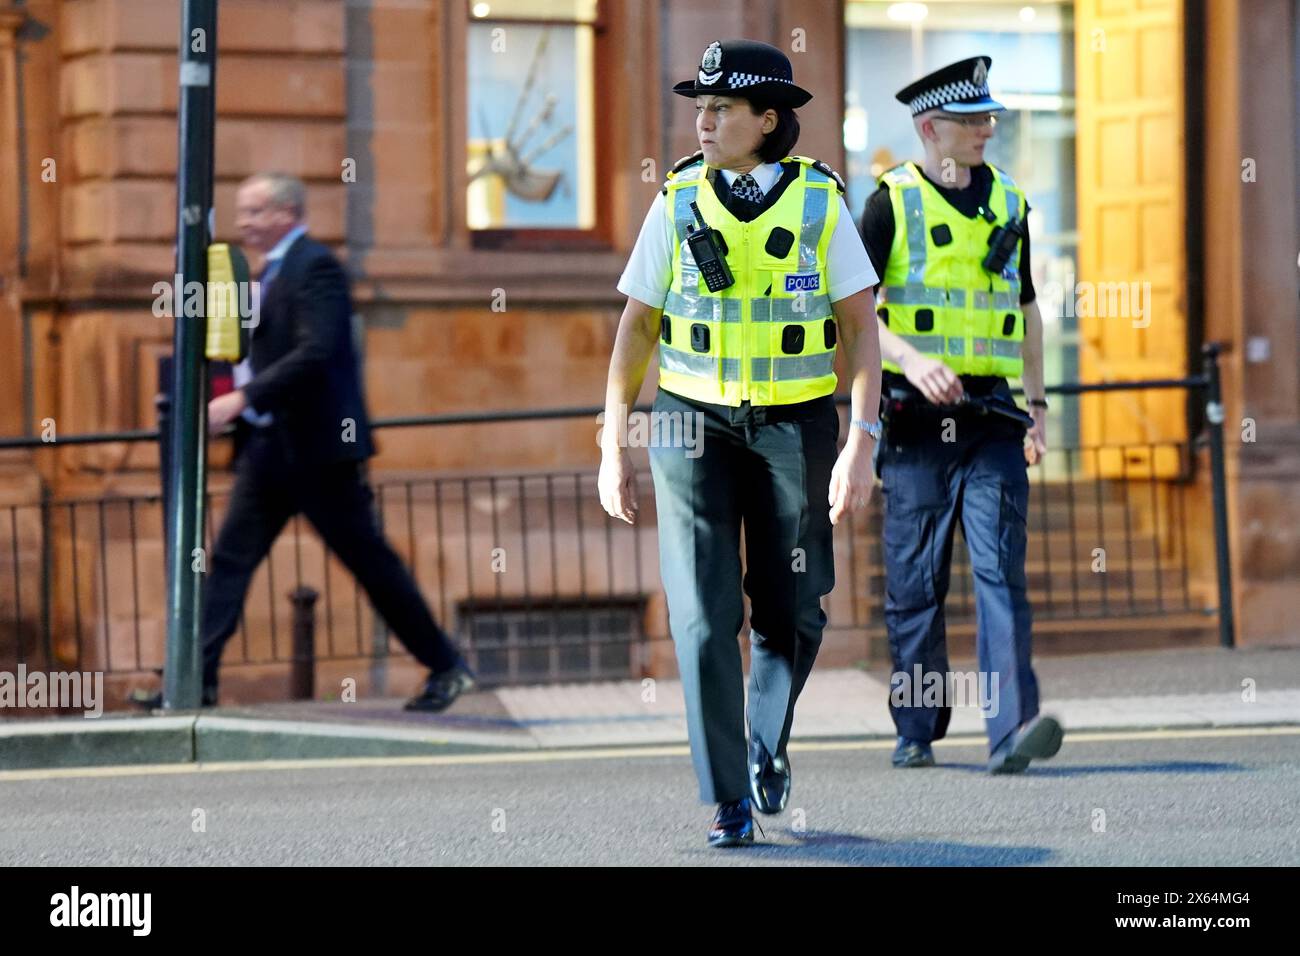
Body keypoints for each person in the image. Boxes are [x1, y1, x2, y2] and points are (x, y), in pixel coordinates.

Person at [599, 40, 882, 847]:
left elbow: (862, 330)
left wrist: (862, 439)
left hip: (796, 427)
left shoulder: (821, 202)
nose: (703, 121)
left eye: (722, 109)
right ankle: (728, 795)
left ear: (768, 121)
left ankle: (766, 744)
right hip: (692, 424)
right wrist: (612, 442)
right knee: (700, 614)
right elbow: (638, 323)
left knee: (792, 607)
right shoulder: (678, 196)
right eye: (700, 106)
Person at [156, 172, 474, 713]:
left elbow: (318, 351)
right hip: (269, 449)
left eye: (255, 211)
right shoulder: (271, 274)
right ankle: (192, 683)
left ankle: (447, 667)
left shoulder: (315, 267)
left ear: (286, 213)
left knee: (371, 564)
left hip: (319, 453)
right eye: (243, 211)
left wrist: (241, 398)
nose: (243, 222)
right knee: (229, 564)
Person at [858, 57, 1063, 774]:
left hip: (994, 421)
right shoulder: (889, 202)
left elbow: (1029, 311)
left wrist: (1038, 406)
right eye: (972, 119)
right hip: (914, 424)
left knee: (1002, 573)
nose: (987, 129)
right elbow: (852, 314)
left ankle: (1011, 732)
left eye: (989, 117)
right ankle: (916, 728)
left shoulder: (1010, 201)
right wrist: (911, 360)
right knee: (916, 582)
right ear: (929, 128)